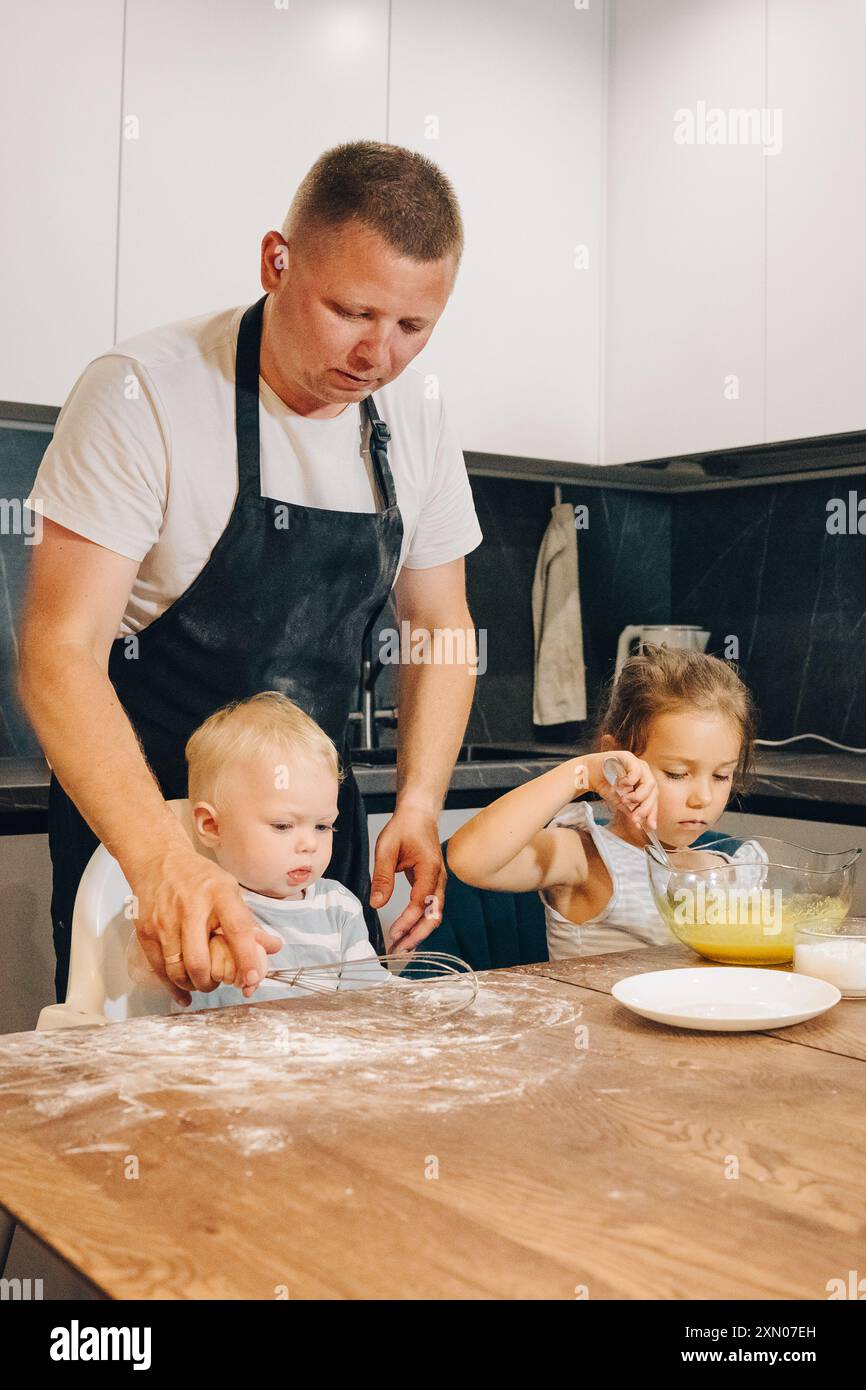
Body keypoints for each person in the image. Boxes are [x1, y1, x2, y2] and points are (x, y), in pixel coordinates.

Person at [19, 140, 482, 1005]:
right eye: (351, 311)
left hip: (310, 837)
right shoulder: (144, 392)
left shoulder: (417, 416)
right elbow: (58, 650)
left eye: (414, 326)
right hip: (145, 833)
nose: (377, 355)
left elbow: (442, 626)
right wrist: (159, 860)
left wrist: (418, 801)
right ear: (277, 260)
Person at [447, 646, 762, 958]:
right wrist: (582, 773)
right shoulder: (585, 858)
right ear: (616, 758)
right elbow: (468, 860)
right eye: (677, 773)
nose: (703, 798)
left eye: (721, 776)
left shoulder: (732, 871)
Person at [127, 692, 393, 1010]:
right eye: (283, 826)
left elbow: (368, 998)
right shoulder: (202, 906)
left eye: (322, 826)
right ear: (212, 826)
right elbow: (142, 973)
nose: (309, 844)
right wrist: (205, 952)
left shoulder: (339, 908)